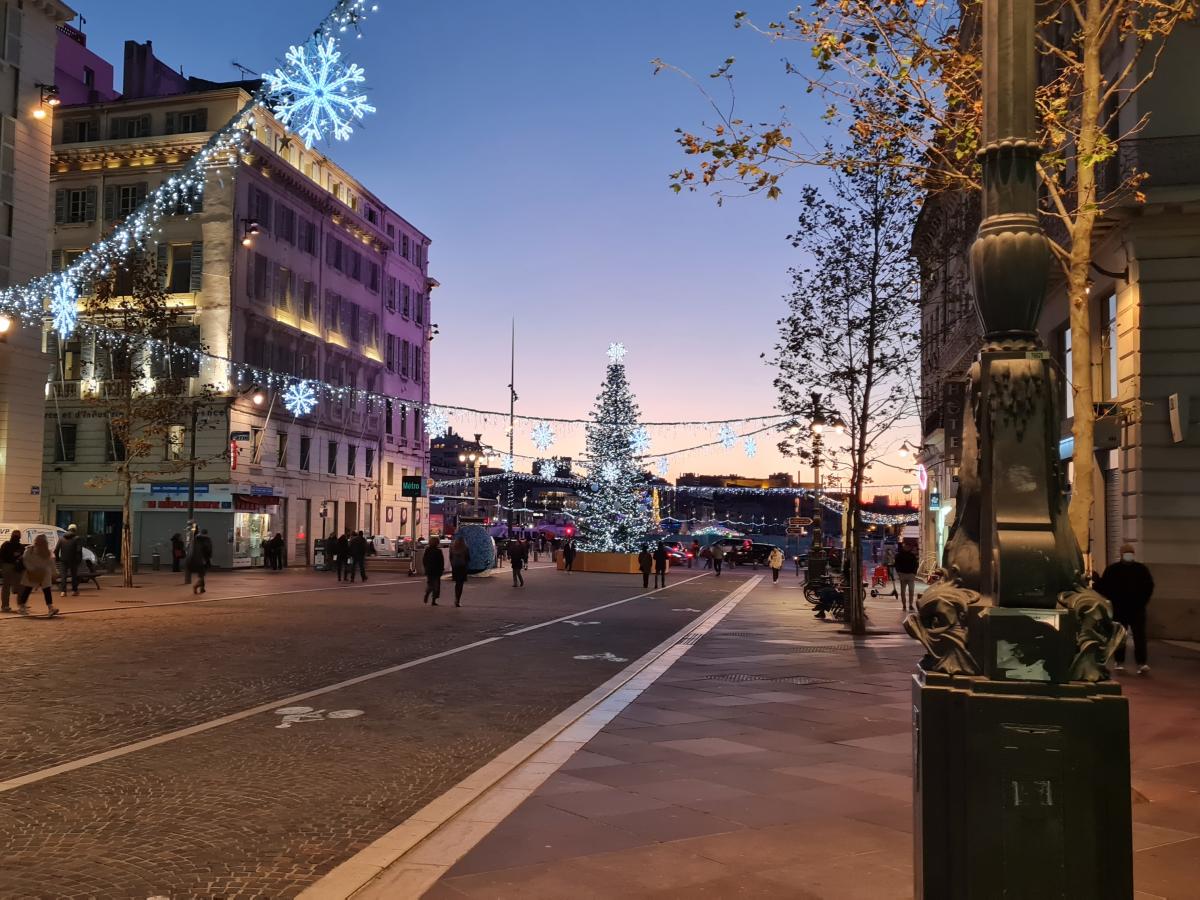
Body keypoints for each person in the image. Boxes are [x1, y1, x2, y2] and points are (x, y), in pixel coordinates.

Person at [1097, 543, 1155, 674]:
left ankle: (1141, 662)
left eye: (1131, 553)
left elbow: (1148, 586)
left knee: (1139, 636)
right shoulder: (1113, 570)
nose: (1129, 555)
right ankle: (1119, 661)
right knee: (1120, 636)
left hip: (1136, 609)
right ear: (1122, 554)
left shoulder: (1141, 569)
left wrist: (1142, 601)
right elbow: (1104, 587)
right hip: (1120, 609)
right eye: (1127, 553)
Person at [16, 534, 57, 617]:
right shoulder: (31, 550)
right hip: (34, 573)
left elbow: (51, 563)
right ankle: (22, 606)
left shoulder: (40, 551)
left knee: (44, 590)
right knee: (29, 589)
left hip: (41, 573)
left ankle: (50, 607)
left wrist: (53, 572)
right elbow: (26, 560)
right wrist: (32, 569)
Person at [54, 524, 83, 597]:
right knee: (74, 575)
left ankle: (63, 592)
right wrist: (79, 559)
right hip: (73, 560)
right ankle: (74, 591)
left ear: (68, 529)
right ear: (75, 530)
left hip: (63, 560)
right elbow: (79, 550)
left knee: (63, 576)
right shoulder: (77, 538)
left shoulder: (61, 539)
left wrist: (57, 558)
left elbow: (56, 550)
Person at [1, 529, 24, 613]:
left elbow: (1, 556)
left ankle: (5, 605)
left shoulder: (6, 544)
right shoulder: (20, 546)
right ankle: (21, 605)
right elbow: (22, 558)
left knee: (6, 587)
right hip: (15, 567)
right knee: (20, 587)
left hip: (7, 566)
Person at [186, 530, 212, 594]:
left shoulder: (195, 540)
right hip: (203, 560)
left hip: (195, 560)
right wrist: (208, 558)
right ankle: (196, 586)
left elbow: (190, 549)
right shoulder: (206, 540)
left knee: (201, 575)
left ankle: (202, 588)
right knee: (202, 574)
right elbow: (208, 550)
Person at [895, 544, 919, 611]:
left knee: (910, 590)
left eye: (907, 547)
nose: (906, 548)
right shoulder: (900, 555)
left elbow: (916, 564)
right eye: (905, 547)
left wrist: (914, 573)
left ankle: (909, 605)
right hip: (904, 575)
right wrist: (899, 573)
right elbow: (896, 564)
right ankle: (905, 605)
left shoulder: (911, 555)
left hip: (910, 575)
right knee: (904, 591)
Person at [449, 535, 470, 606]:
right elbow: (468, 558)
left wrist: (452, 565)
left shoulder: (452, 548)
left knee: (457, 583)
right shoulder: (465, 548)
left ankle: (456, 597)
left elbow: (450, 557)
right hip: (462, 567)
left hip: (455, 567)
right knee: (460, 584)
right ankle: (457, 600)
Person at [423, 539, 444, 605]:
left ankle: (427, 592)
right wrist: (442, 570)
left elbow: (424, 560)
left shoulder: (427, 550)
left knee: (430, 584)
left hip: (429, 570)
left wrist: (426, 567)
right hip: (437, 570)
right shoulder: (439, 551)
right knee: (436, 585)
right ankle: (433, 600)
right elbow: (441, 561)